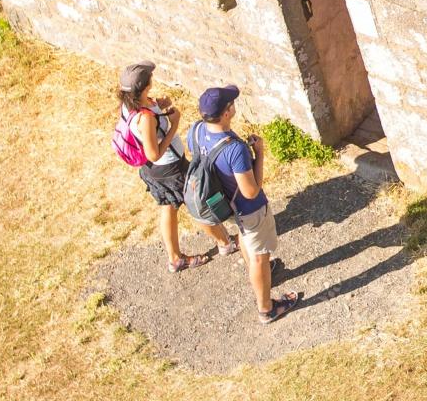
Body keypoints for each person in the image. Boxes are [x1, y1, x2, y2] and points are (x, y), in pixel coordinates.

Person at [188, 85, 299, 323]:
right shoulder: (235, 149)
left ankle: (261, 276)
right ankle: (266, 308)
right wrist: (259, 154)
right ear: (227, 113)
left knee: (246, 240)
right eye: (231, 103)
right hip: (249, 209)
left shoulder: (196, 130)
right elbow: (250, 191)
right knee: (260, 256)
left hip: (226, 204)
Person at [117, 62, 233, 273]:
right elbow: (154, 152)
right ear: (144, 86)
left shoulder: (130, 105)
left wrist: (159, 107)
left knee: (168, 208)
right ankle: (225, 243)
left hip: (153, 171)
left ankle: (175, 258)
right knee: (198, 204)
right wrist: (174, 124)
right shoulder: (145, 118)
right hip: (170, 168)